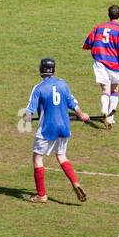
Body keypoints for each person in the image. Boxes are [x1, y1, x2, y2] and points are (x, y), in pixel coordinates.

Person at [21, 57, 90, 203]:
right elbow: (72, 103)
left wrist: (25, 118)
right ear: (54, 70)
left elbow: (30, 110)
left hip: (47, 128)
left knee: (37, 157)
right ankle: (75, 182)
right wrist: (82, 115)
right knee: (61, 155)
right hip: (64, 126)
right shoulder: (63, 84)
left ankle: (41, 195)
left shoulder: (38, 88)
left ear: (40, 70)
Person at [82, 4, 119, 129]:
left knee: (105, 90)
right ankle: (110, 117)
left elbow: (88, 43)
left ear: (108, 15)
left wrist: (97, 49)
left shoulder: (99, 27)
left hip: (99, 63)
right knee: (114, 90)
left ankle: (104, 110)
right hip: (113, 65)